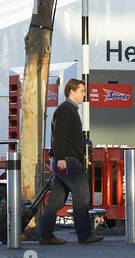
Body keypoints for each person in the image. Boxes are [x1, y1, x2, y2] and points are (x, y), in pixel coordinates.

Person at [39, 79, 102, 245]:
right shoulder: (65, 110)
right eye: (82, 90)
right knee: (82, 195)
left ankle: (46, 235)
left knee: (56, 200)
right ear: (71, 91)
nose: (84, 94)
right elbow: (58, 136)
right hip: (68, 160)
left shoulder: (69, 109)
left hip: (65, 160)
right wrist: (60, 158)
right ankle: (84, 234)